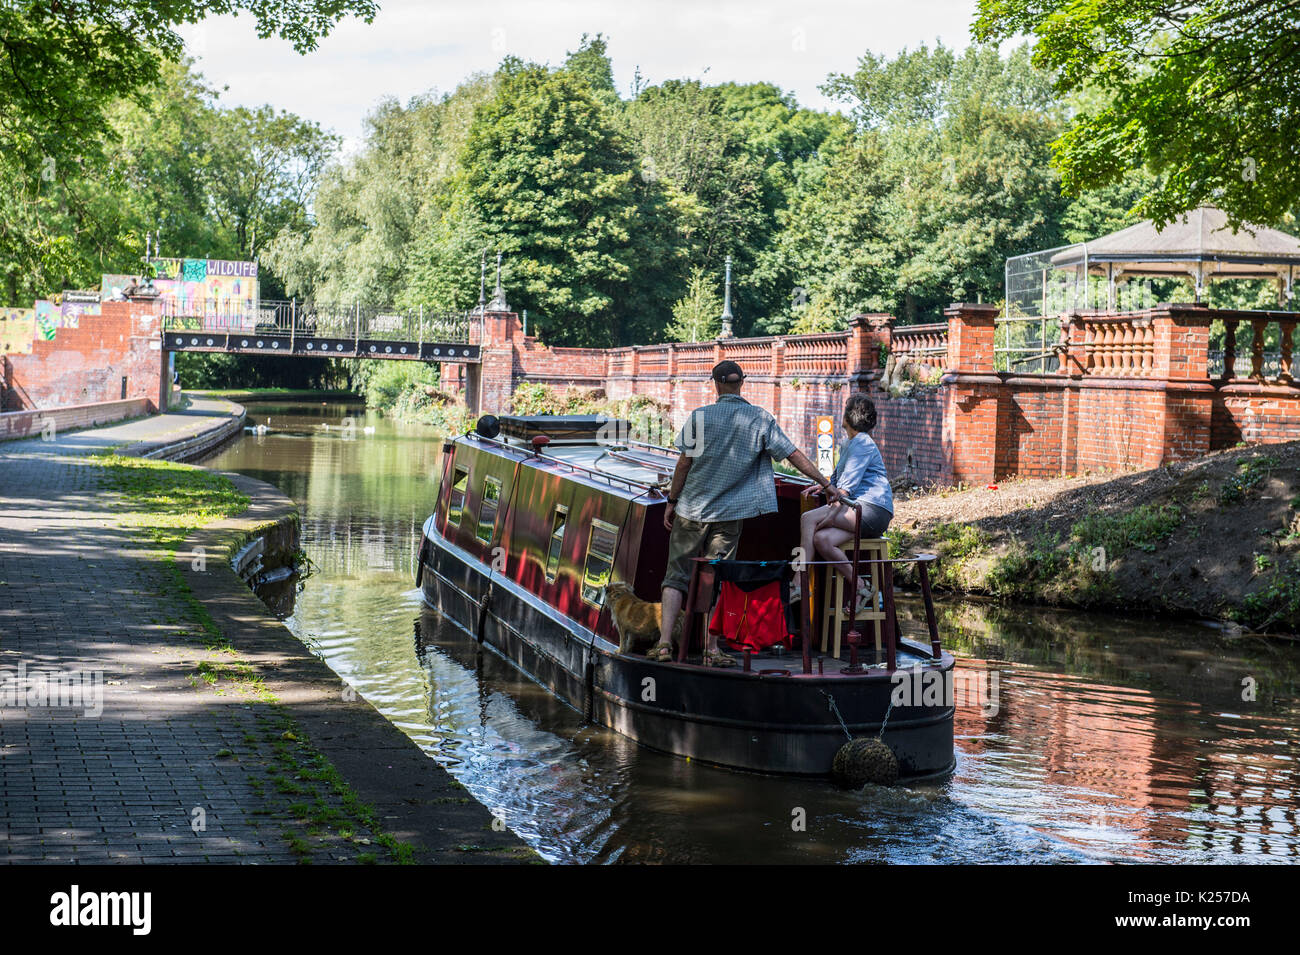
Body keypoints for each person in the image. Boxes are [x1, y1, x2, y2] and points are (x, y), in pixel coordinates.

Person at [646, 360, 846, 667]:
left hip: (691, 510)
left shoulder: (700, 417)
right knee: (719, 578)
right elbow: (792, 454)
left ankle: (663, 645)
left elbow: (684, 463)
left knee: (676, 576)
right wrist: (825, 483)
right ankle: (712, 649)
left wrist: (672, 500)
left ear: (715, 384)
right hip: (729, 515)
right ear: (743, 383)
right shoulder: (760, 419)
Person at [799, 393, 893, 603]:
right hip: (858, 508)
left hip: (872, 509)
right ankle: (862, 587)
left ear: (849, 416)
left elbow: (844, 490)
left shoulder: (862, 443)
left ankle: (799, 582)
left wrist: (828, 516)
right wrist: (821, 486)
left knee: (808, 519)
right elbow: (837, 480)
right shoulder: (849, 443)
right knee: (822, 539)